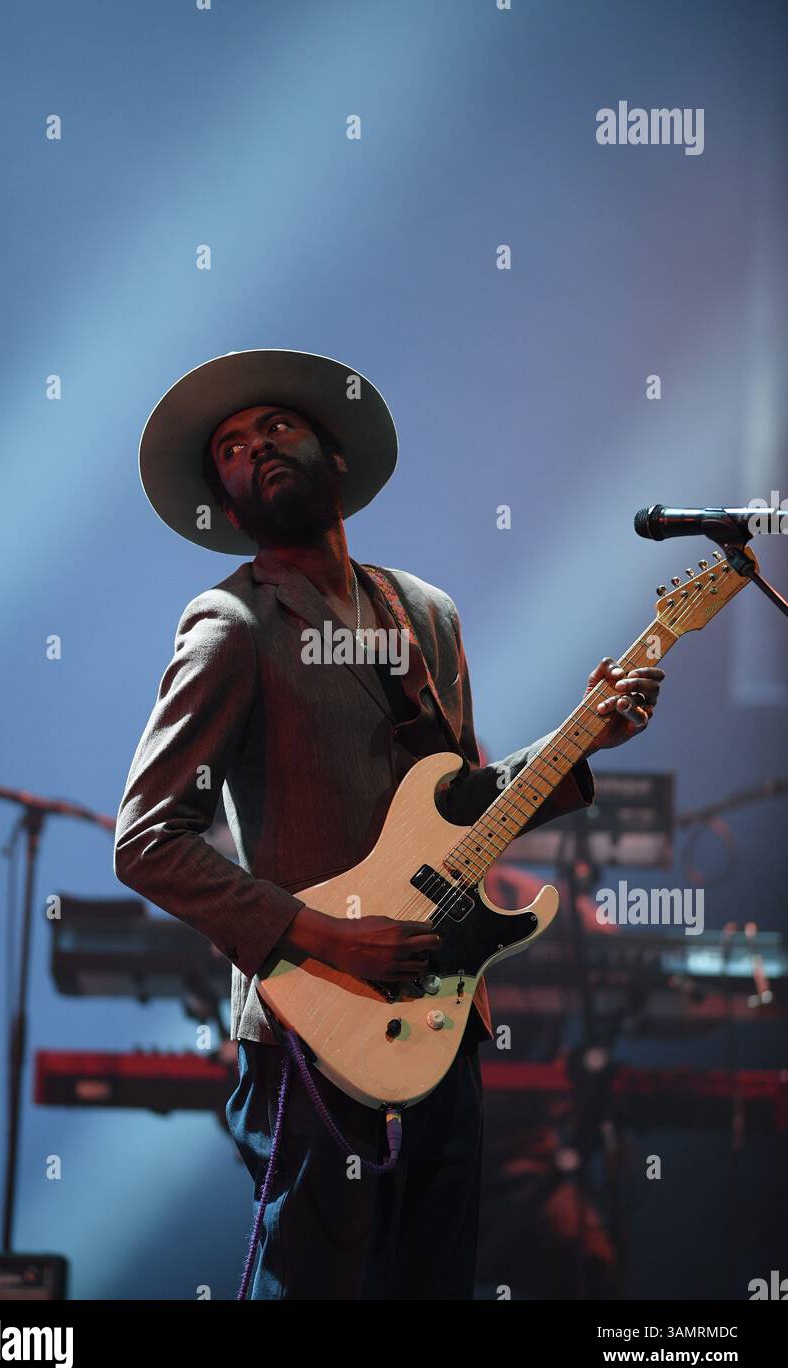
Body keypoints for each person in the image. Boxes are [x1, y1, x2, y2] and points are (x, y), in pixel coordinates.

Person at [114, 348, 665, 1299]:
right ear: (229, 505)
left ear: (335, 456)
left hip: (441, 1006)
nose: (256, 449)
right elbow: (147, 837)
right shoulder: (232, 625)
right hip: (312, 1018)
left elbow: (465, 809)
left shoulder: (426, 614)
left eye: (275, 428)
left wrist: (584, 741)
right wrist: (326, 940)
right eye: (232, 450)